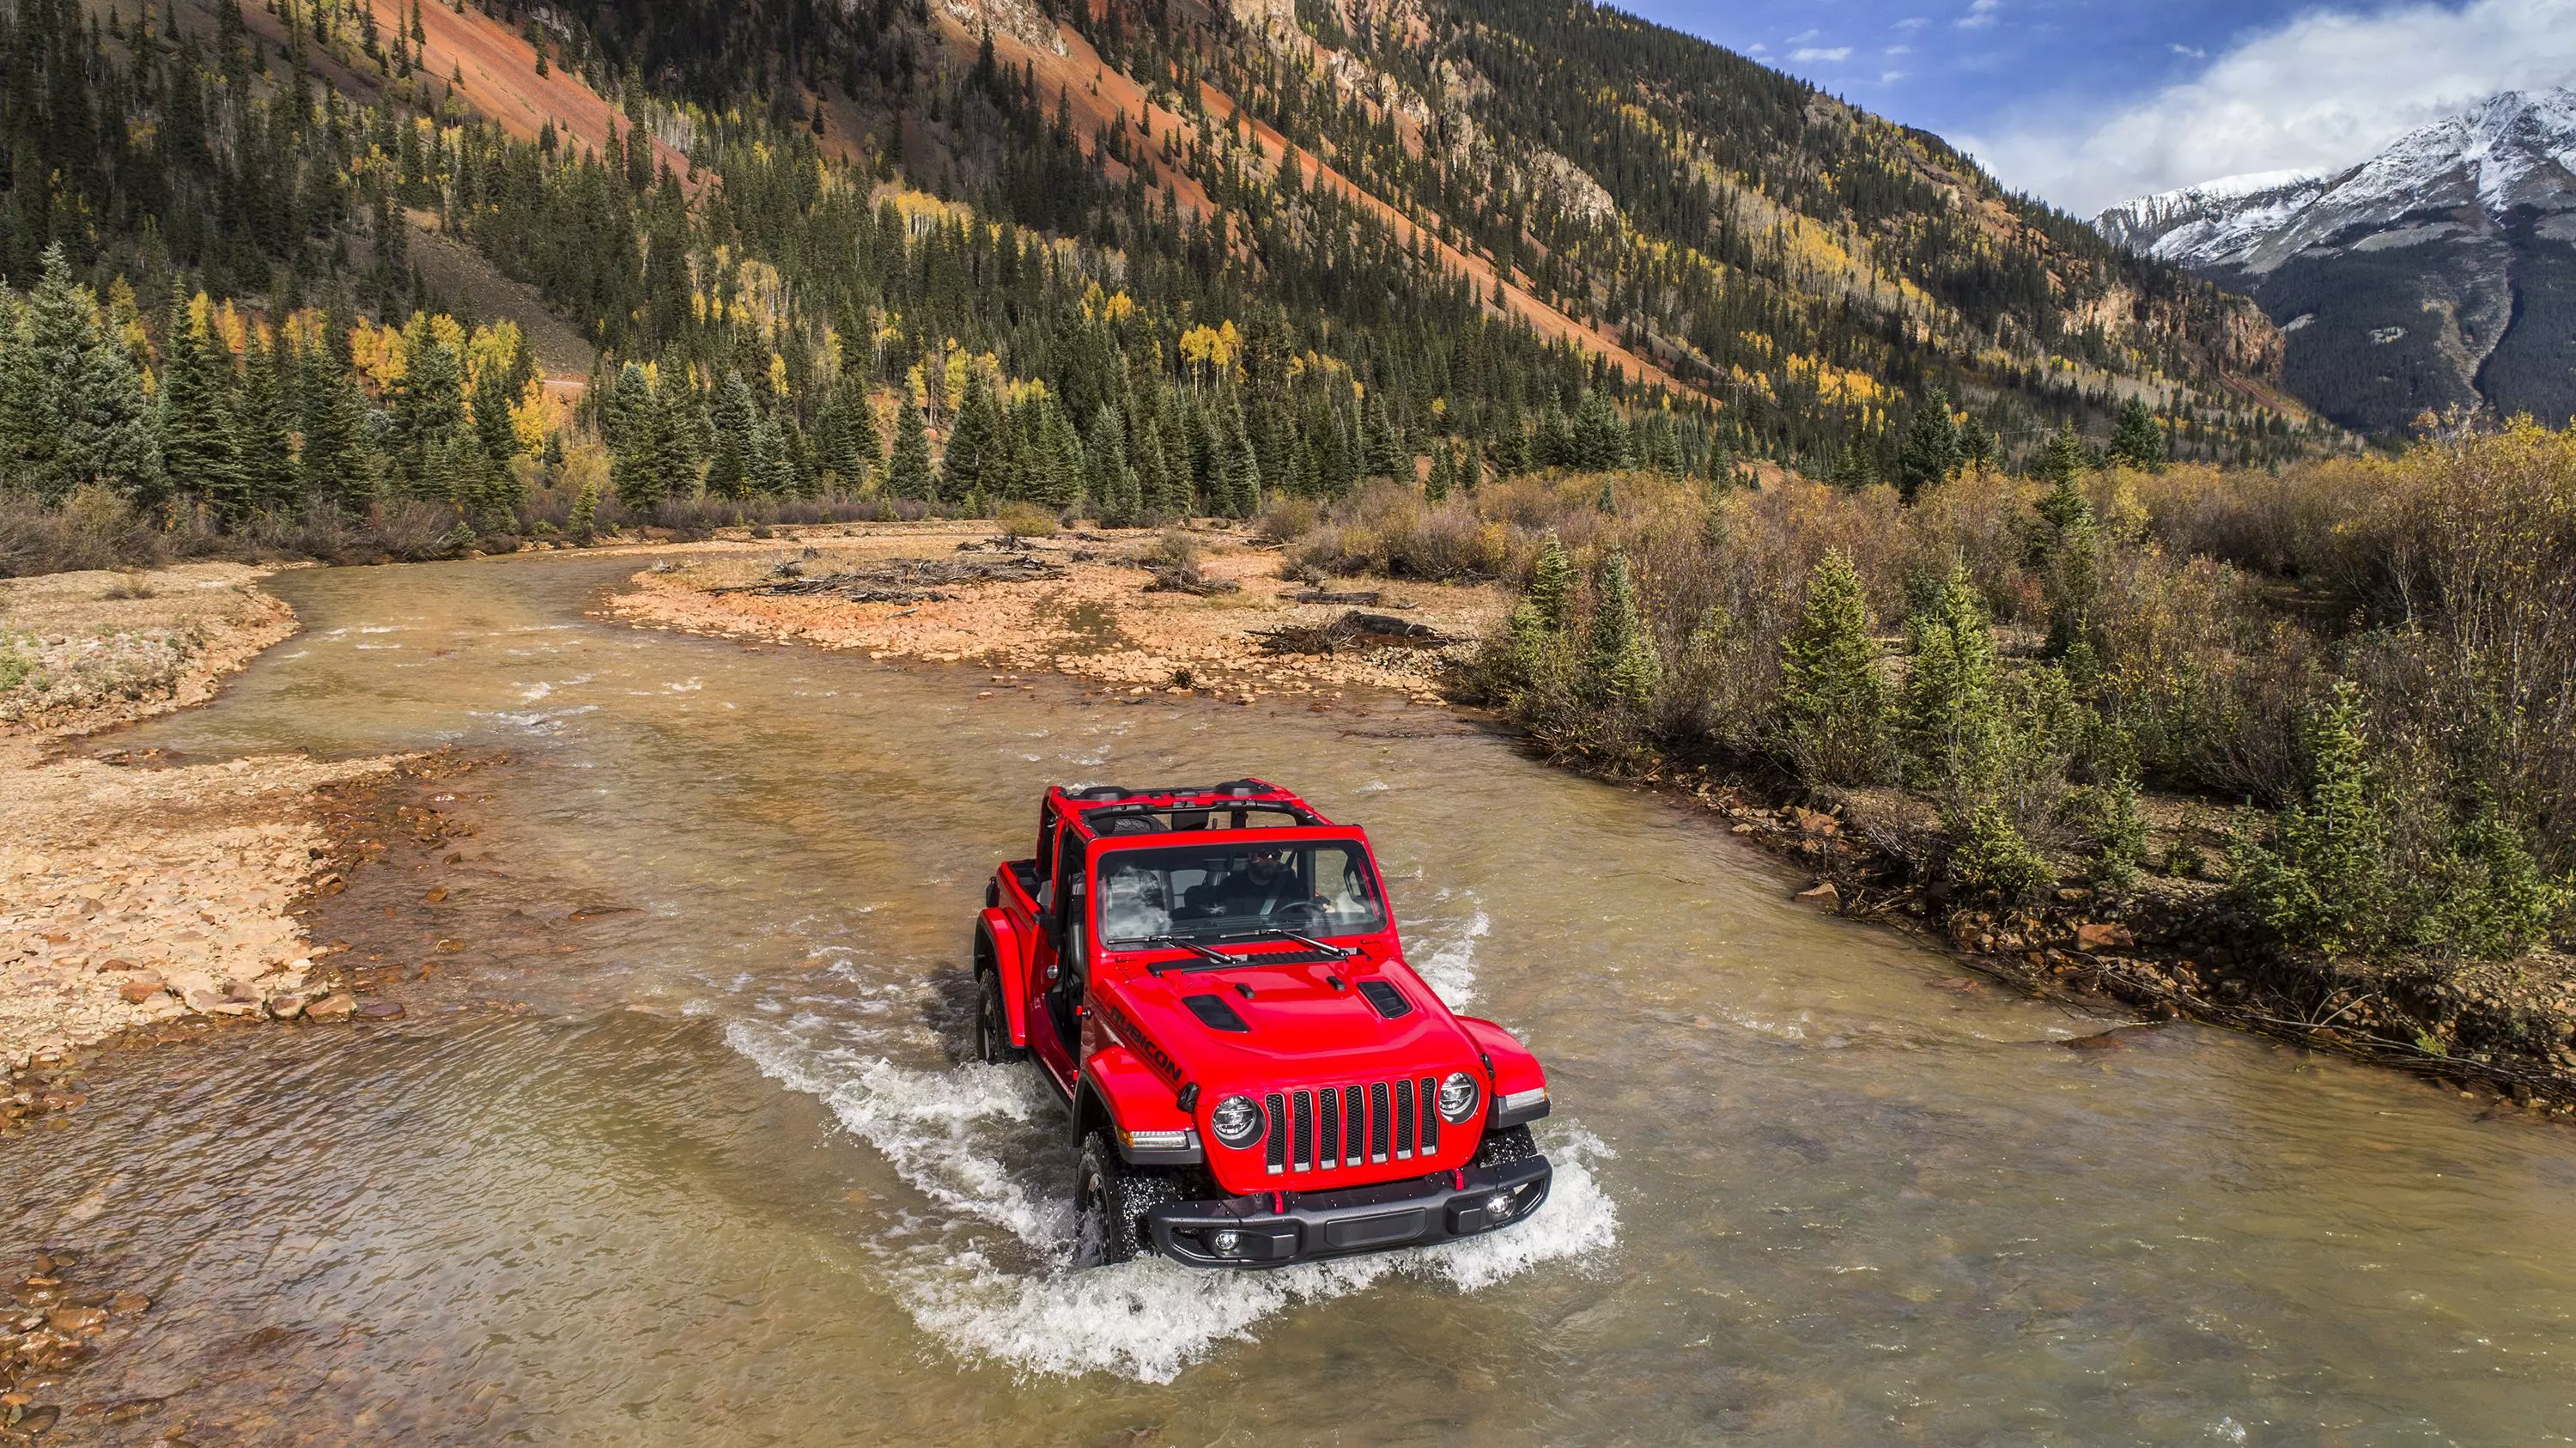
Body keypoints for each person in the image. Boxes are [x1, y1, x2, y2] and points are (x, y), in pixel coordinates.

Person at [1211, 846, 1317, 922]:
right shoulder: (1231, 886)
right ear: (1250, 855)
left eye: (1275, 856)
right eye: (1263, 854)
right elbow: (1225, 925)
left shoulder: (1289, 883)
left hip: (1286, 940)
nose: (1269, 860)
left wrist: (1319, 907)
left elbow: (1305, 912)